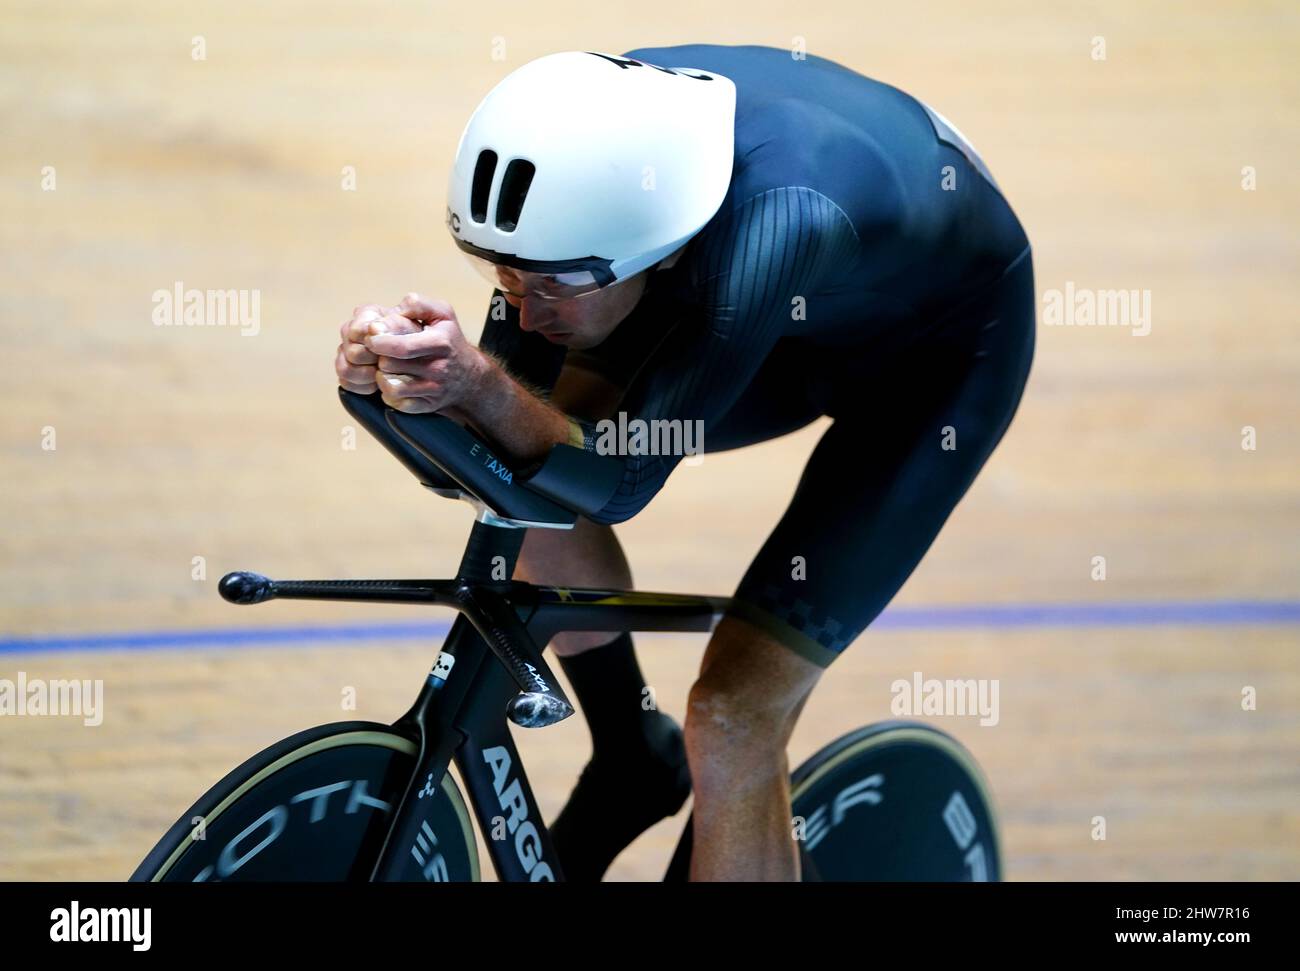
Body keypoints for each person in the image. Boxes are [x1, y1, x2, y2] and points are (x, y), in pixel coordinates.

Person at [334, 45, 1034, 881]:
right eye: (500, 274)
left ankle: (692, 755)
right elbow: (490, 460)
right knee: (529, 464)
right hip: (778, 309)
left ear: (648, 246)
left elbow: (623, 480)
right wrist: (398, 396)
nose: (522, 304)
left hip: (935, 363)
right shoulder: (583, 176)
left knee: (733, 718)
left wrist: (479, 387)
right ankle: (630, 749)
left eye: (549, 284)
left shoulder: (784, 215)